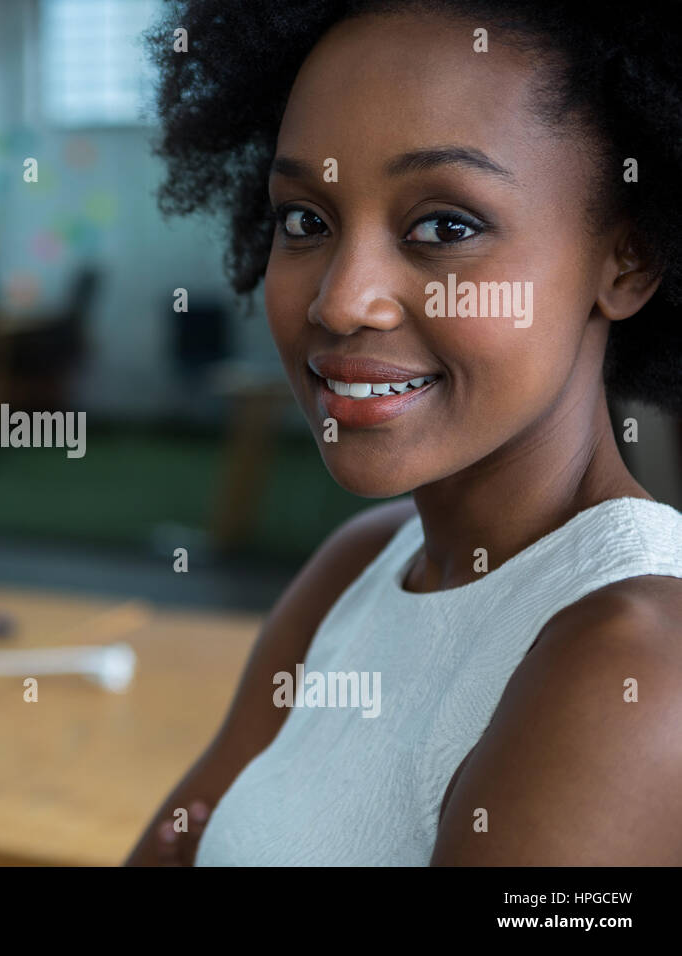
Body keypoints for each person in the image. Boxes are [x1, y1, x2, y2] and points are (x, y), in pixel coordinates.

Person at [127, 0, 682, 865]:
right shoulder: (367, 560)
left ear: (628, 259)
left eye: (445, 228)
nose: (342, 301)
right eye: (305, 220)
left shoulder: (636, 658)